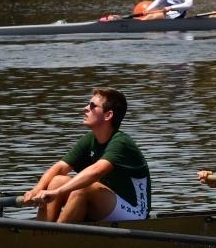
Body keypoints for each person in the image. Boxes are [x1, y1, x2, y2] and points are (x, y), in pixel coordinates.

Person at [23, 87, 151, 223]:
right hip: (107, 204)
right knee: (56, 181)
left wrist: (58, 192)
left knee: (84, 188)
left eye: (92, 106)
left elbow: (96, 171)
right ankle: (40, 236)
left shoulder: (121, 142)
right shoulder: (90, 139)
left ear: (108, 115)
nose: (85, 108)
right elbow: (60, 167)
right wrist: (37, 190)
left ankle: (57, 240)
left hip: (135, 213)